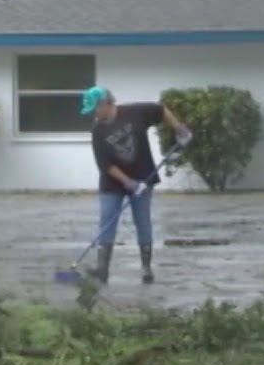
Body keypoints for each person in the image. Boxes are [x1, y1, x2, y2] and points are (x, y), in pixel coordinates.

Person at [81, 86, 193, 285]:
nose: (93, 114)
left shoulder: (135, 112)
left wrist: (179, 128)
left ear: (106, 103)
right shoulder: (98, 130)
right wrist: (128, 183)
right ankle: (102, 271)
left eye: (94, 109)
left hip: (143, 176)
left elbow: (160, 110)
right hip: (112, 183)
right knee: (107, 221)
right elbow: (104, 165)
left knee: (142, 221)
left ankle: (146, 269)